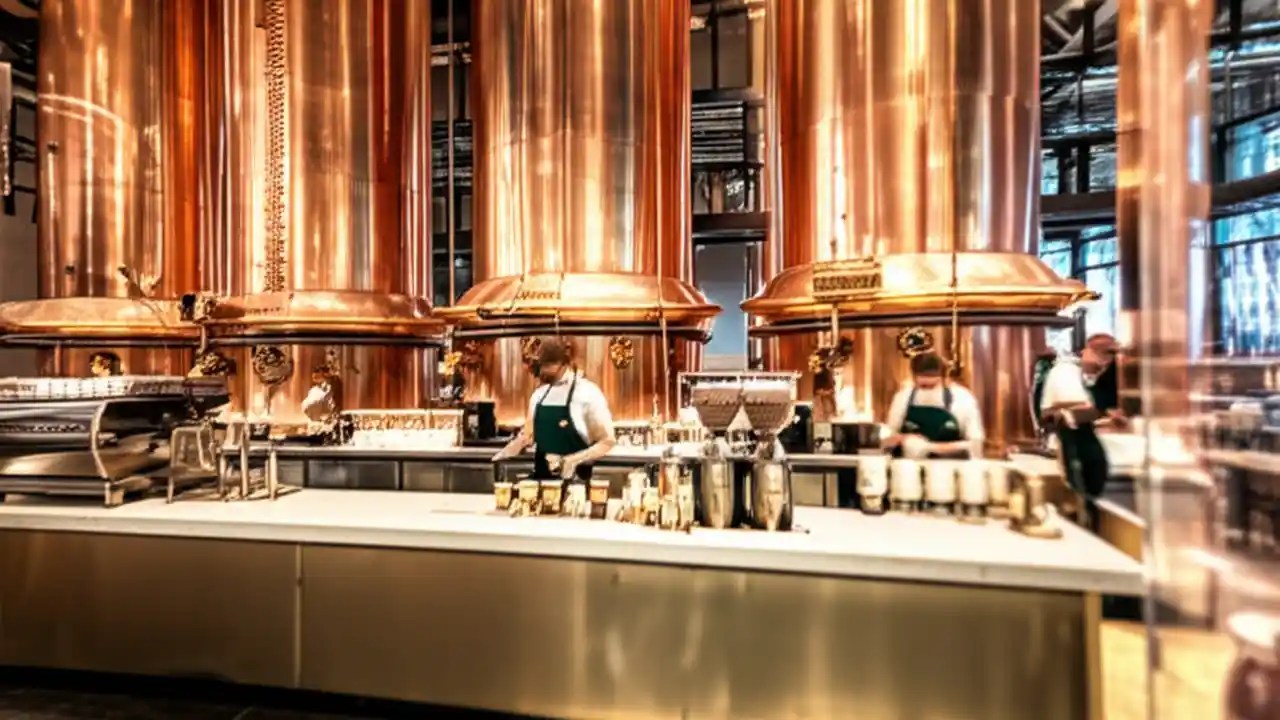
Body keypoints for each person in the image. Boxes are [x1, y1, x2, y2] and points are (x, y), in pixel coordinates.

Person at [491, 338, 616, 482]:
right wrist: (504, 454)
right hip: (541, 484)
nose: (543, 371)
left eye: (548, 365)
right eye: (542, 365)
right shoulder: (539, 395)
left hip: (576, 486)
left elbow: (607, 441)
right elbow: (527, 436)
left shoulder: (588, 393)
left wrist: (574, 460)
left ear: (563, 364)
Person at [883, 352, 984, 459]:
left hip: (950, 465)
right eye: (923, 386)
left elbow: (975, 444)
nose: (927, 391)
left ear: (944, 379)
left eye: (932, 386)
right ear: (914, 379)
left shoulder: (962, 399)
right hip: (909, 466)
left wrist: (931, 448)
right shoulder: (903, 398)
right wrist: (905, 439)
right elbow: (888, 439)